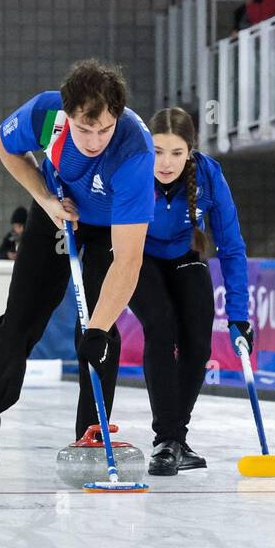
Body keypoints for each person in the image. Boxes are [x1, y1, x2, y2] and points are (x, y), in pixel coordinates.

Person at [0, 59, 154, 481]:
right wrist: (46, 199)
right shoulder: (46, 113)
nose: (94, 139)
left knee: (98, 332)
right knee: (20, 321)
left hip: (108, 226)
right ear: (67, 115)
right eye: (84, 129)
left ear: (116, 117)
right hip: (58, 210)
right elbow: (3, 142)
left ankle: (90, 434)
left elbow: (129, 260)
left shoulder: (135, 153)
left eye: (104, 129)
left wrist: (98, 329)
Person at [74, 106, 250, 477]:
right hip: (135, 257)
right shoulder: (128, 167)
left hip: (184, 255)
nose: (165, 163)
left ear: (191, 153)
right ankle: (166, 440)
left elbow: (232, 247)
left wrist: (239, 315)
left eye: (176, 153)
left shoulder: (208, 176)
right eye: (156, 151)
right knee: (161, 324)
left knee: (199, 342)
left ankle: (174, 439)